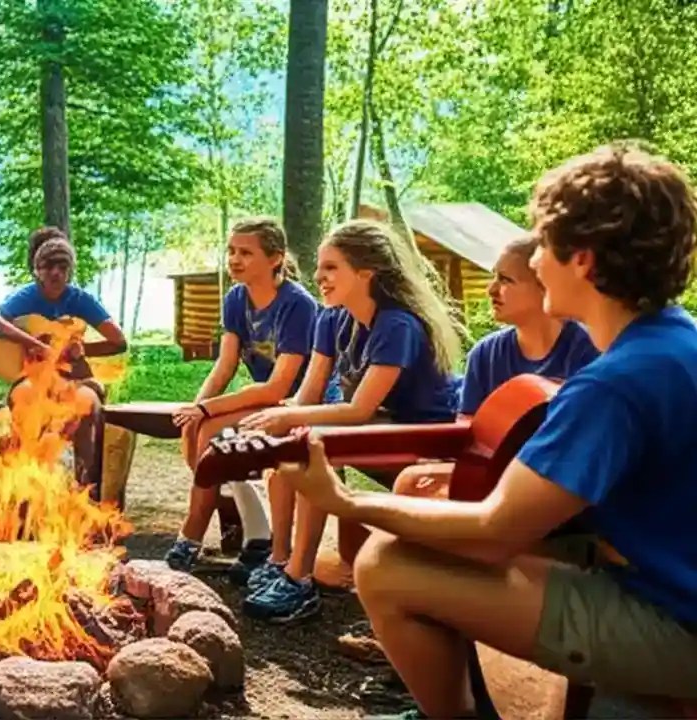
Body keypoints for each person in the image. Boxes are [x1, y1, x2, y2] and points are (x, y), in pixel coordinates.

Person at [279, 143, 697, 719]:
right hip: (666, 582)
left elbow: (494, 531)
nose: (536, 259)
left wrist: (345, 502)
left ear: (582, 258)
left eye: (544, 244)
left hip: (676, 622)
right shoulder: (677, 341)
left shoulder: (615, 382)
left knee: (386, 564)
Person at [239, 218, 463, 623]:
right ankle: (280, 560)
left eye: (331, 267)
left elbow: (359, 410)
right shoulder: (332, 319)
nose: (318, 277)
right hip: (382, 424)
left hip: (428, 434)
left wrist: (289, 418)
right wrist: (268, 419)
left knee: (312, 446)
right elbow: (307, 396)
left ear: (366, 272)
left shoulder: (398, 325)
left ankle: (299, 582)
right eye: (319, 266)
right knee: (292, 448)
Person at [164, 217, 318, 583]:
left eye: (245, 253)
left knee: (211, 432)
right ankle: (257, 538)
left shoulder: (297, 305)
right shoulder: (236, 298)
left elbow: (278, 388)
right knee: (200, 431)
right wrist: (195, 409)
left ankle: (192, 536)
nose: (234, 259)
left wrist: (207, 412)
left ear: (275, 258)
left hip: (303, 400)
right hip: (267, 399)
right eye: (231, 251)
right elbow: (226, 363)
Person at [389, 235, 599, 501]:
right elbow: (470, 432)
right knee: (412, 482)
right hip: (493, 470)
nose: (491, 290)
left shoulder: (588, 351)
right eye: (493, 277)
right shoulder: (485, 353)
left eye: (506, 280)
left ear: (544, 286)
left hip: (557, 481)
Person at [0, 227, 128, 490]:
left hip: (77, 380)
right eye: (48, 266)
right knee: (25, 398)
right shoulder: (27, 296)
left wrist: (83, 350)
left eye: (63, 267)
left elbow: (119, 341)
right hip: (34, 378)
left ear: (70, 271)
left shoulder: (80, 299)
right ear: (37, 270)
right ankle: (28, 486)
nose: (56, 273)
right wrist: (35, 344)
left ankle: (85, 489)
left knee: (87, 404)